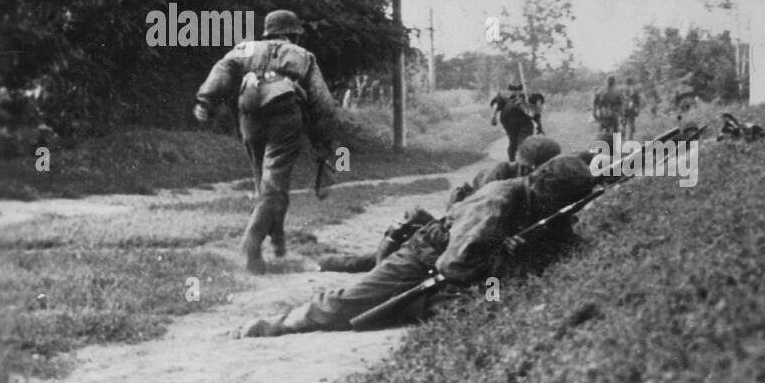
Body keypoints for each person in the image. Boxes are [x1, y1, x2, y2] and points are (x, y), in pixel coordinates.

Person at [240, 153, 595, 336]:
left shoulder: (533, 202)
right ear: (548, 191)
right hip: (424, 257)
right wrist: (503, 254)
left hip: (448, 264)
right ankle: (273, 325)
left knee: (470, 306)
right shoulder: (497, 204)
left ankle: (414, 307)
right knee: (346, 306)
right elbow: (451, 266)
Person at [194, 9, 337, 273]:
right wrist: (323, 142)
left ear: (268, 32)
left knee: (266, 183)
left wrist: (206, 100)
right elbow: (323, 104)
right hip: (284, 115)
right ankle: (252, 242)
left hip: (249, 113)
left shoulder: (245, 49)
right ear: (293, 33)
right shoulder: (302, 56)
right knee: (274, 183)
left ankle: (277, 242)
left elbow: (221, 69)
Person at [317, 135, 563, 273]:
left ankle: (330, 263)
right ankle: (329, 263)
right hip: (458, 226)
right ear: (530, 165)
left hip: (472, 231)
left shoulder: (528, 182)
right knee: (402, 257)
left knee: (392, 257)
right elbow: (477, 217)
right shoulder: (498, 176)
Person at [491, 83, 545, 162]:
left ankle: (517, 161)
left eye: (518, 89)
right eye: (515, 90)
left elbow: (536, 111)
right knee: (518, 142)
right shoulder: (506, 96)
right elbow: (497, 103)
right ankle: (516, 162)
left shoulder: (530, 96)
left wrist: (539, 125)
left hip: (518, 119)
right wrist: (493, 116)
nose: (517, 91)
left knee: (518, 142)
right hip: (511, 119)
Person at [592, 75, 625, 143]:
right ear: (615, 82)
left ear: (606, 82)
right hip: (614, 118)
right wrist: (622, 117)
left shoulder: (600, 92)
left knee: (601, 138)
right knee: (616, 139)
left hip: (603, 118)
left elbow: (594, 107)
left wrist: (597, 118)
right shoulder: (618, 92)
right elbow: (621, 108)